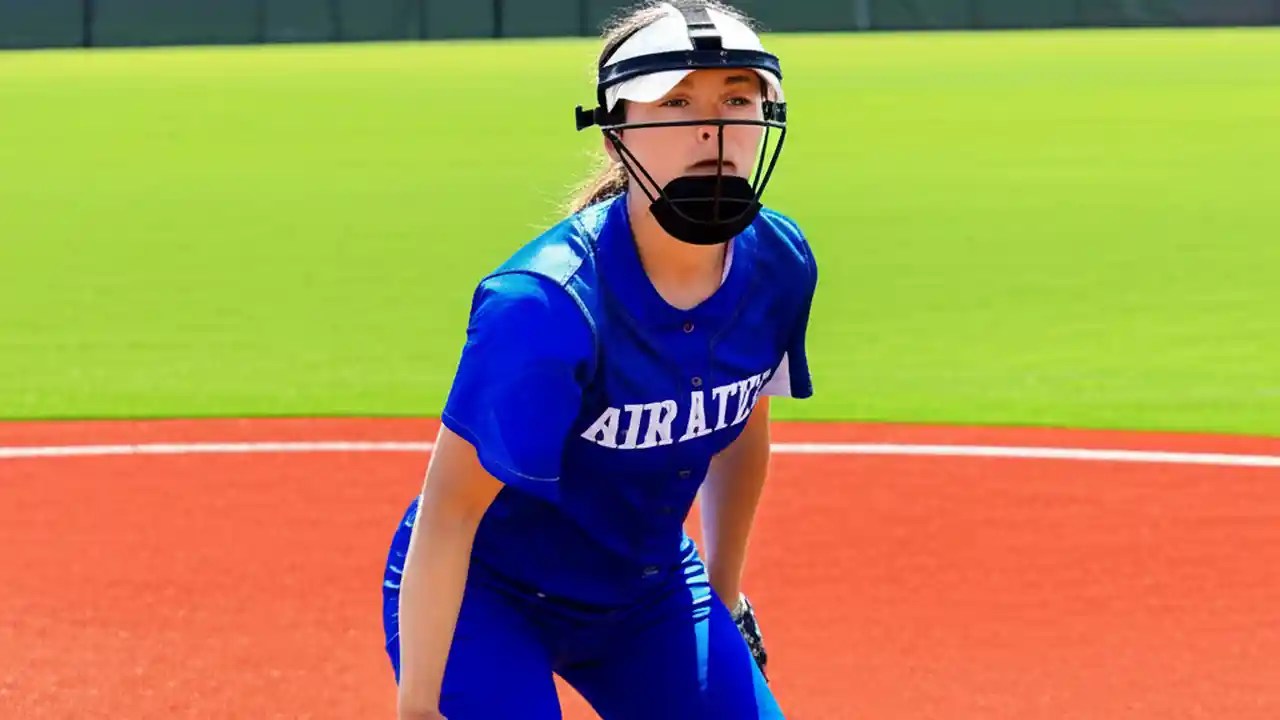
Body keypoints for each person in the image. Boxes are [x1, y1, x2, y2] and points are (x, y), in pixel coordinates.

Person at [381, 1, 818, 717]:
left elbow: (742, 430)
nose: (712, 129)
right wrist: (419, 707)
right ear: (617, 136)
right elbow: (451, 512)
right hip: (490, 595)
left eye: (736, 99)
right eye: (676, 102)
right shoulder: (543, 304)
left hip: (649, 588)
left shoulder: (778, 261)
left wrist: (726, 588)